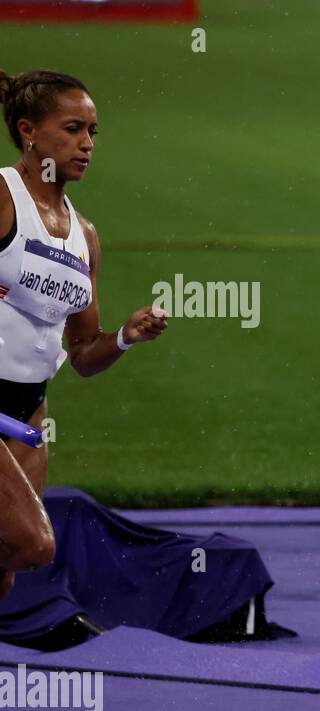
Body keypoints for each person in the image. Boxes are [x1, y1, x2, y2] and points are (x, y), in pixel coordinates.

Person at [0, 69, 169, 600]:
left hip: (28, 415)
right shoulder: (3, 198)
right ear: (29, 131)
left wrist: (126, 337)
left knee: (5, 564)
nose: (87, 144)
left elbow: (82, 353)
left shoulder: (85, 236)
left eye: (93, 132)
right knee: (35, 545)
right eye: (73, 128)